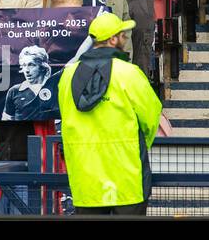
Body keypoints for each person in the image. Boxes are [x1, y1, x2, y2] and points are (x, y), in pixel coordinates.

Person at [57, 12, 162, 214]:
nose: (125, 38)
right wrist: (138, 145)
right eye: (122, 35)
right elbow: (151, 118)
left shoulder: (67, 75)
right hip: (126, 177)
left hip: (85, 179)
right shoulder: (129, 73)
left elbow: (65, 115)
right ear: (113, 39)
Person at [1, 46, 56, 121]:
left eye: (31, 65)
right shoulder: (14, 91)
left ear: (42, 67)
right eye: (24, 65)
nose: (26, 70)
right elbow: (6, 119)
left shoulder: (55, 88)